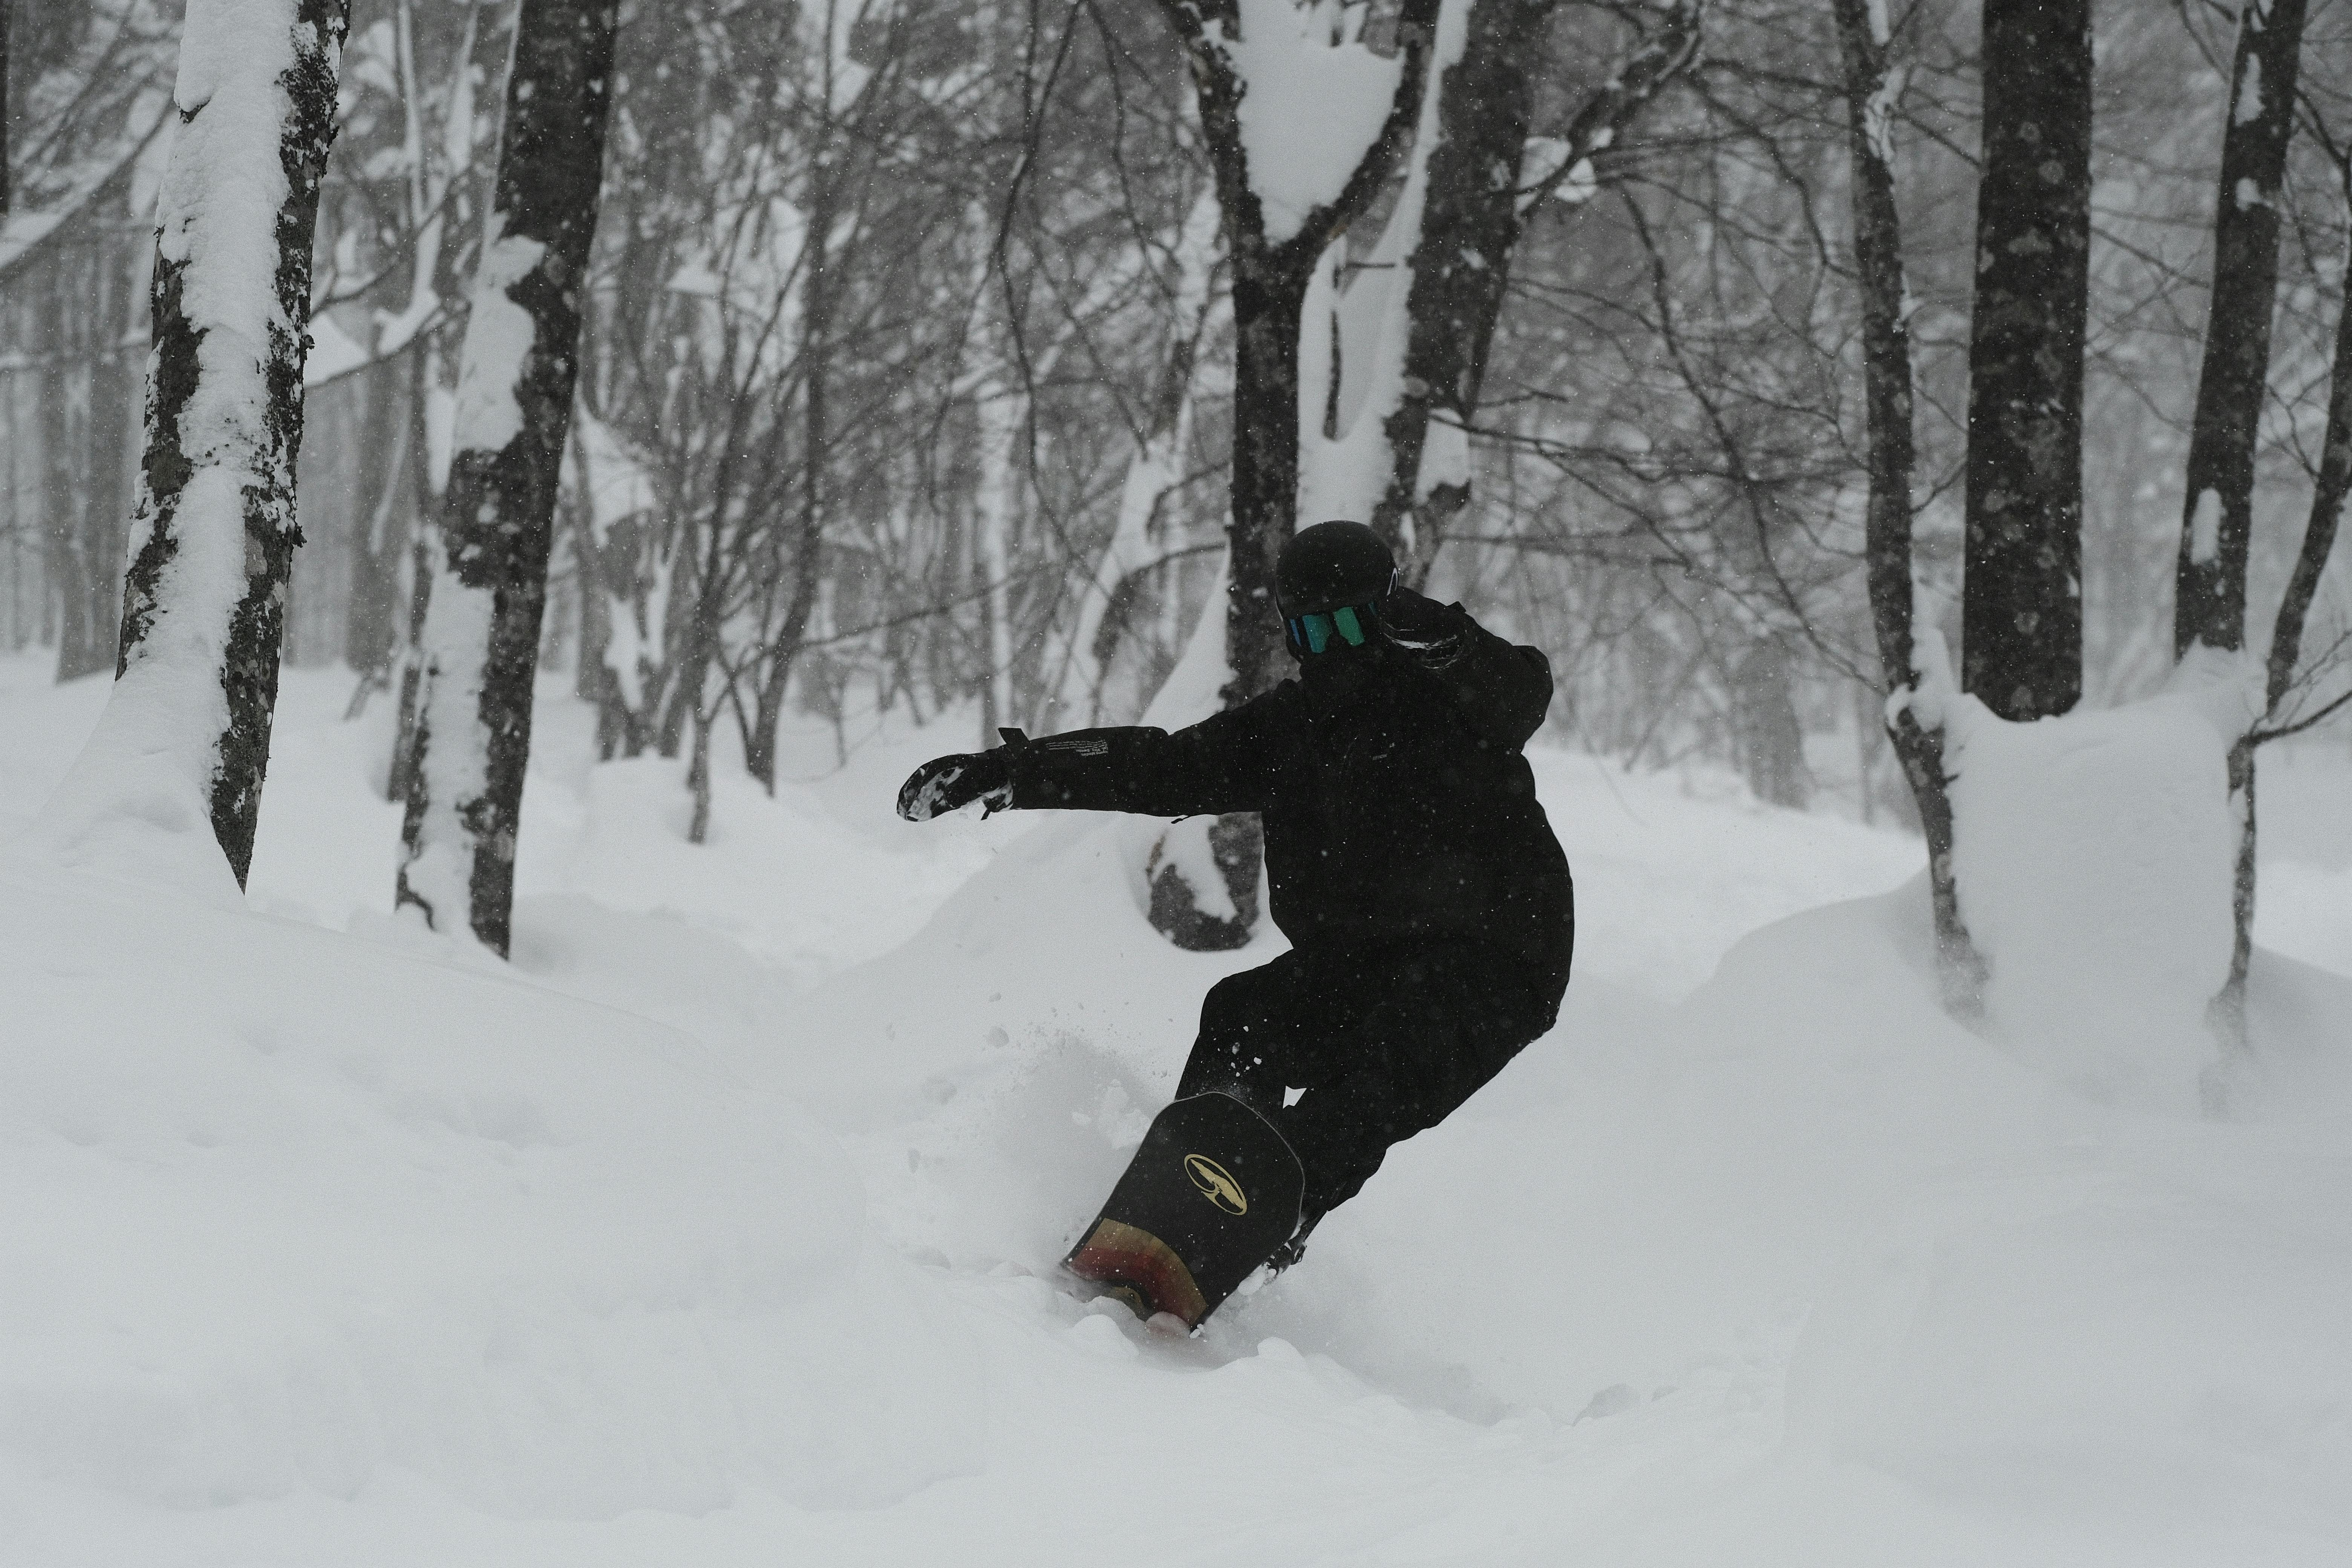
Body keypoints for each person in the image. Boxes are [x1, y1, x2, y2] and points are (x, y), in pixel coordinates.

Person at [896, 520, 1574, 1290]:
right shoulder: (1291, 730)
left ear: (1388, 613)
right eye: (1315, 630)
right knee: (1243, 1015)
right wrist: (1014, 771)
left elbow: (1523, 692)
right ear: (1291, 631)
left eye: (1354, 623)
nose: (1336, 646)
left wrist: (1453, 641)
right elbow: (1161, 767)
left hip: (1497, 958)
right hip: (1371, 958)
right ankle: (1192, 1184)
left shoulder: (1454, 696)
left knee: (1366, 1089)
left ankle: (1261, 1221)